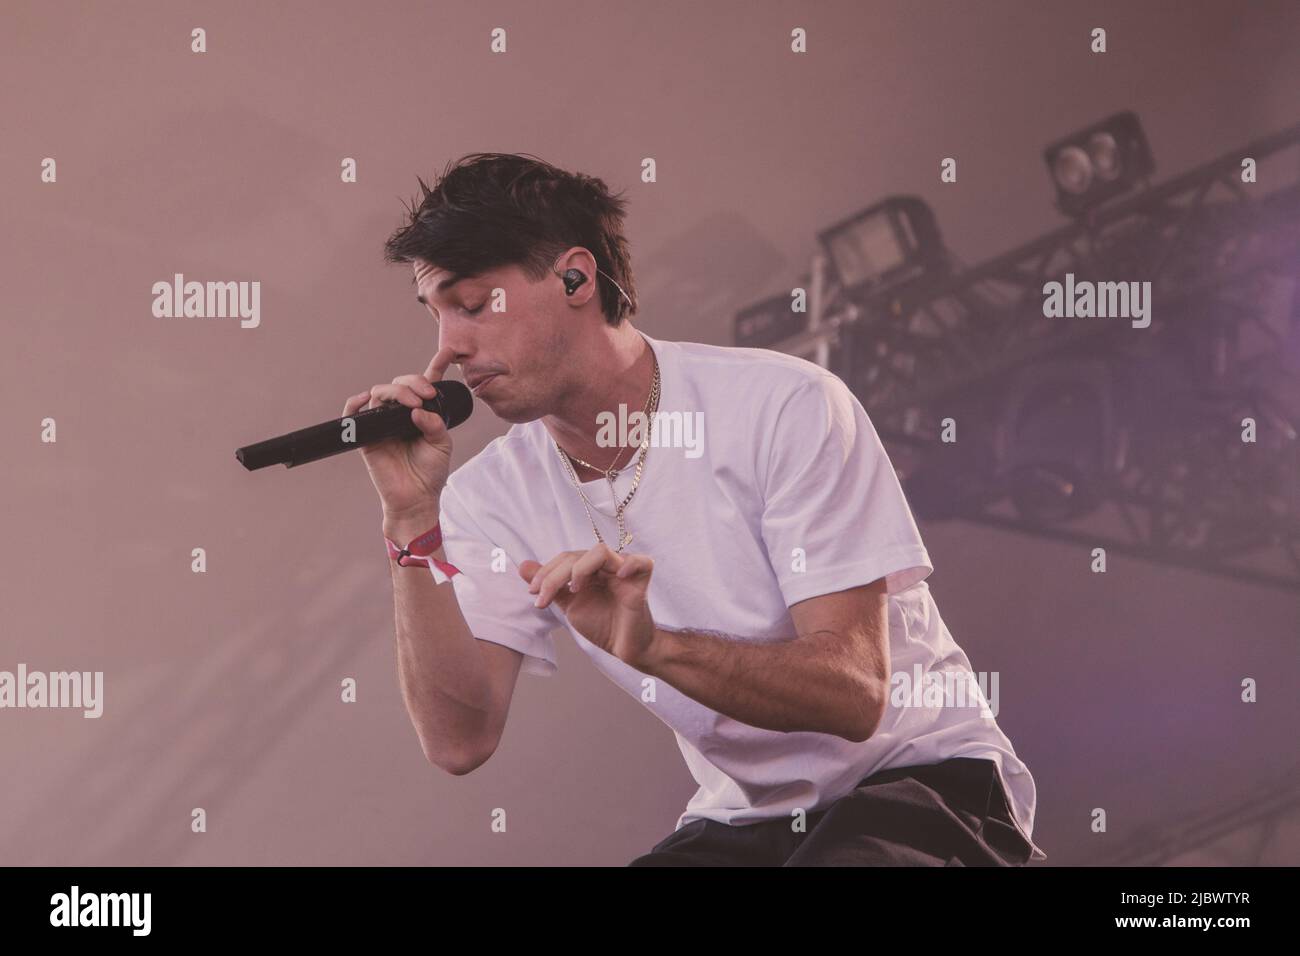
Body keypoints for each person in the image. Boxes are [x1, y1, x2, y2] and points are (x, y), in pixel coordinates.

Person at [345, 151, 1046, 866]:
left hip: (917, 781)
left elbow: (855, 695)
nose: (448, 350)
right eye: (435, 314)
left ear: (575, 277)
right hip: (745, 824)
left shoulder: (783, 405)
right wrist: (409, 522)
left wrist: (657, 648)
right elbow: (459, 741)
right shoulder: (487, 494)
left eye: (472, 306)